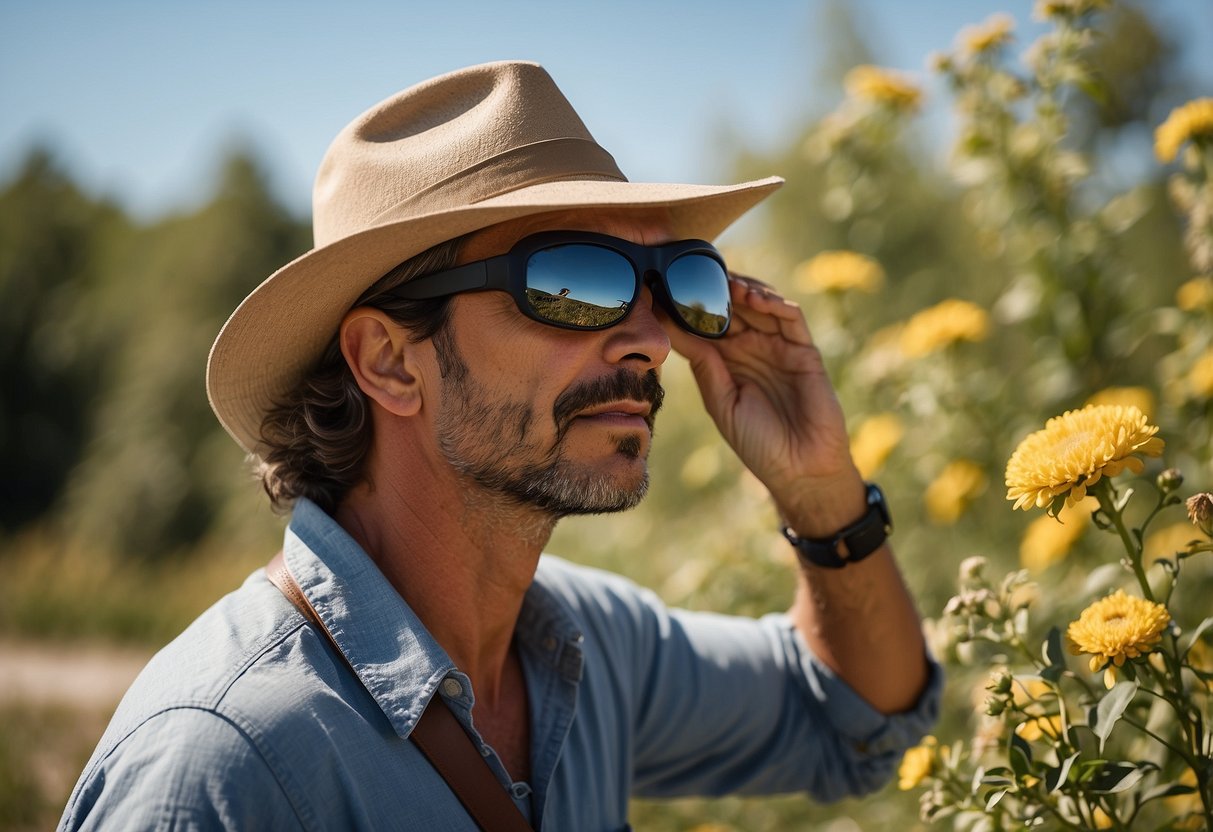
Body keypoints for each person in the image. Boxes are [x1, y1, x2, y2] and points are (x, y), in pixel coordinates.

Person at [59, 61, 940, 831]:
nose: (654, 339)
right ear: (390, 362)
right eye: (572, 279)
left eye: (671, 281)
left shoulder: (586, 644)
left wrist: (819, 490)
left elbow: (856, 716)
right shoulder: (221, 762)